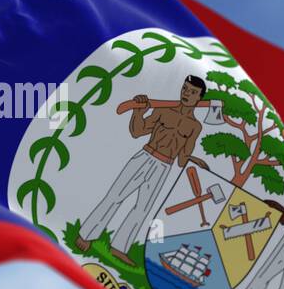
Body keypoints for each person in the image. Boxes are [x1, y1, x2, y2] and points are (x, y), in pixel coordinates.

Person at [76, 75, 208, 265]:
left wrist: (196, 160)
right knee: (116, 196)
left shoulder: (195, 126)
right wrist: (138, 112)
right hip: (145, 157)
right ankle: (86, 234)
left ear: (199, 98)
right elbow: (137, 132)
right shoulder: (164, 111)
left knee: (142, 209)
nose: (187, 94)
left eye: (193, 92)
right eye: (185, 89)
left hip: (165, 167)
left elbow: (182, 159)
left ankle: (119, 247)